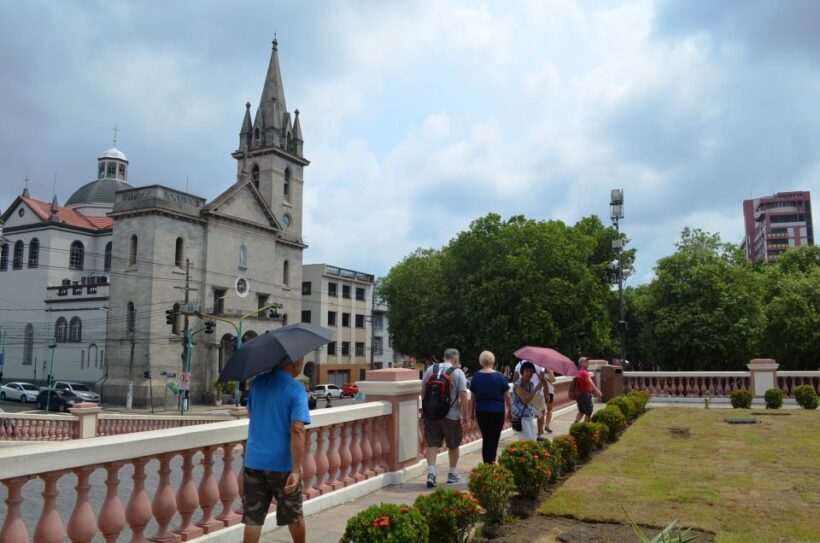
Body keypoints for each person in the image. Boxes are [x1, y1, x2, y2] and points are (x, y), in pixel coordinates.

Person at [242, 358, 310, 543]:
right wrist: (296, 470)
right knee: (293, 516)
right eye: (302, 360)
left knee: (253, 520)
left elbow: (253, 416)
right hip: (283, 466)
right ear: (295, 362)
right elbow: (297, 428)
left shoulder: (256, 384)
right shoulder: (295, 389)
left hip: (254, 462)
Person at [421, 348, 468, 487]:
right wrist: (466, 415)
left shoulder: (430, 370)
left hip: (431, 415)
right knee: (453, 444)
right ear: (455, 359)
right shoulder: (458, 372)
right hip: (451, 415)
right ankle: (452, 473)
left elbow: (423, 392)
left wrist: (425, 411)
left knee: (432, 443)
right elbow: (463, 395)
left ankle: (431, 473)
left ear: (444, 357)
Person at [468, 350, 512, 463]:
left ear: (481, 361)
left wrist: (470, 414)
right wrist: (511, 411)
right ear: (493, 361)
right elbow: (508, 397)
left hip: (481, 411)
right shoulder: (499, 377)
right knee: (494, 438)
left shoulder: (476, 377)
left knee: (486, 438)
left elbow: (472, 398)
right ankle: (491, 462)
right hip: (497, 411)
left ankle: (486, 463)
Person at [513, 360, 549, 441]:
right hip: (522, 417)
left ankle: (539, 435)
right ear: (522, 372)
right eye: (527, 371)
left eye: (531, 371)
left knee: (530, 440)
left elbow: (531, 399)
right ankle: (540, 435)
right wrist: (537, 389)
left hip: (529, 415)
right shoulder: (519, 384)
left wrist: (537, 412)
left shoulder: (531, 384)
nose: (529, 373)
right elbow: (525, 400)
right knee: (528, 441)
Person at [574, 357, 602, 423]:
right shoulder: (584, 373)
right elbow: (590, 382)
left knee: (581, 411)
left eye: (587, 361)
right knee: (588, 412)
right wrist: (597, 391)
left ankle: (574, 426)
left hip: (580, 394)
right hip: (585, 395)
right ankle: (585, 428)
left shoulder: (579, 372)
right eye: (586, 362)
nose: (588, 363)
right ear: (581, 363)